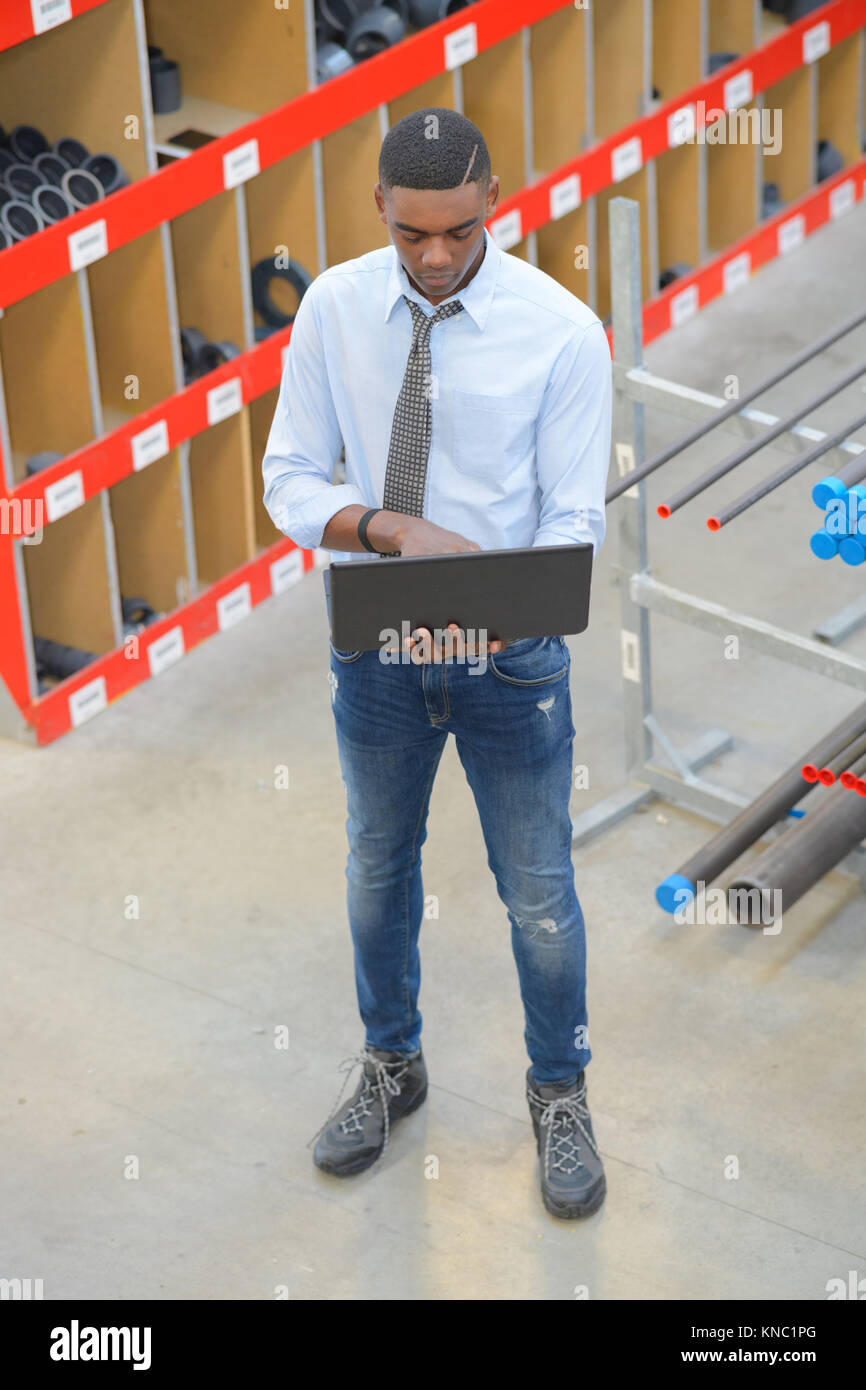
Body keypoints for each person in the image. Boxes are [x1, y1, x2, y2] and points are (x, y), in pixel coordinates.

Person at [262, 107, 612, 1220]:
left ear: (493, 202)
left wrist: (502, 602)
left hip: (510, 663)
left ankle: (558, 1091)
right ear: (378, 208)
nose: (434, 257)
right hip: (380, 650)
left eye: (457, 231)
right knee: (376, 871)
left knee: (540, 897)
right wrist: (385, 528)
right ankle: (390, 1063)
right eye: (412, 233)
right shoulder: (332, 309)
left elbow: (570, 522)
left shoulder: (560, 334)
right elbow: (286, 479)